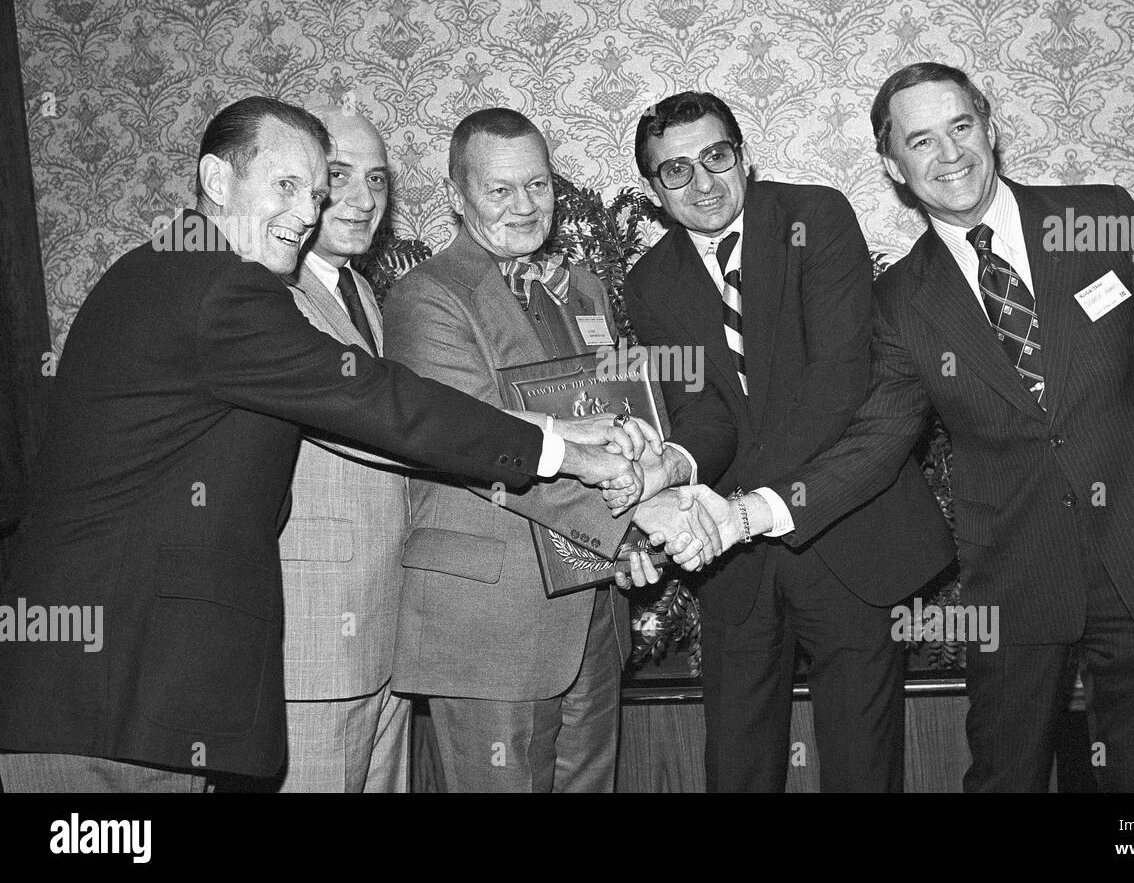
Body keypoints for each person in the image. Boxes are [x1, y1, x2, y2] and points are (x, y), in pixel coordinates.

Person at [0, 96, 640, 793]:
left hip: (139, 690)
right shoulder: (219, 286)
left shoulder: (180, 271)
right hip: (106, 694)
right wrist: (561, 449)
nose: (307, 212)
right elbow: (379, 404)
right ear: (217, 182)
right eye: (285, 186)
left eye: (315, 191)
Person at [713, 62, 1134, 792]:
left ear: (990, 128)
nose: (950, 155)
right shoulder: (902, 298)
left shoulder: (1099, 215)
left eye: (961, 127)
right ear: (892, 166)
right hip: (1016, 578)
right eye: (921, 141)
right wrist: (760, 509)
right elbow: (877, 439)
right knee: (1005, 773)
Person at [619, 91, 954, 792]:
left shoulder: (813, 217)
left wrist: (726, 509)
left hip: (844, 534)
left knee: (862, 764)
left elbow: (836, 386)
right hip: (733, 571)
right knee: (737, 763)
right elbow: (702, 414)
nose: (703, 183)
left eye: (716, 157)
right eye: (675, 170)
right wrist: (678, 463)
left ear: (744, 156)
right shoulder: (650, 284)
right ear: (653, 192)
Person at [383, 108, 708, 792]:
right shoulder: (429, 298)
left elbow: (619, 412)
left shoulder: (582, 288)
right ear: (456, 196)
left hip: (592, 607)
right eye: (500, 191)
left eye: (538, 185)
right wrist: (629, 525)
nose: (526, 206)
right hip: (494, 621)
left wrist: (650, 480)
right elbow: (473, 446)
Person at [274, 106, 411, 792]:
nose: (363, 200)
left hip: (386, 627)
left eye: (378, 180)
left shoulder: (358, 288)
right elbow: (384, 425)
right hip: (317, 632)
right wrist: (551, 446)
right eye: (340, 177)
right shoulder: (272, 291)